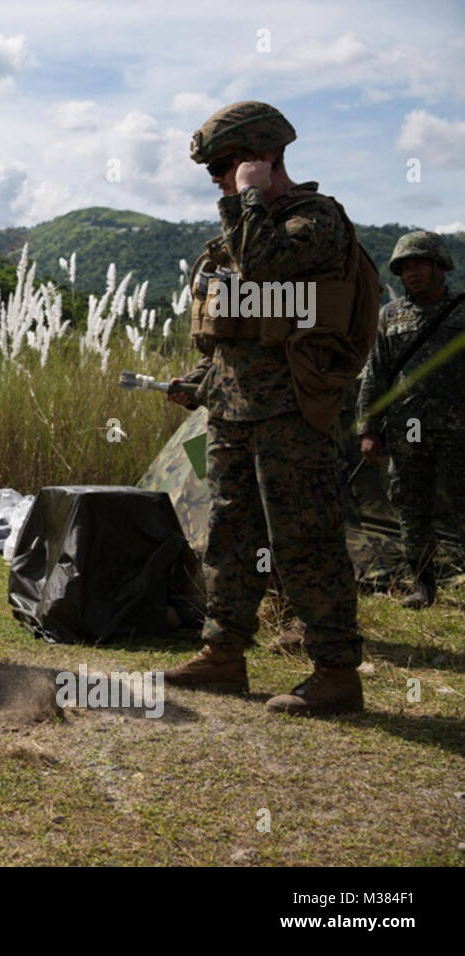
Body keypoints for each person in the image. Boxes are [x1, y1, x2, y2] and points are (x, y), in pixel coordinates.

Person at [162, 101, 376, 716]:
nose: (221, 181)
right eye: (217, 174)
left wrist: (247, 200)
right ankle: (222, 654)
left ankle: (336, 671)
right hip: (234, 409)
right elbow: (237, 324)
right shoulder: (240, 228)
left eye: (228, 166)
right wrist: (202, 380)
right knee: (229, 533)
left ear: (264, 156)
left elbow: (263, 265)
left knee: (304, 537)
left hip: (293, 411)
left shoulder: (316, 220)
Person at [357, 230, 465, 608]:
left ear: (439, 267)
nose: (411, 273)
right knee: (410, 507)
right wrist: (368, 428)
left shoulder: (462, 311)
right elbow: (376, 374)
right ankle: (423, 586)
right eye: (404, 268)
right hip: (407, 432)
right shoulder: (391, 316)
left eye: (418, 264)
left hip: (458, 431)